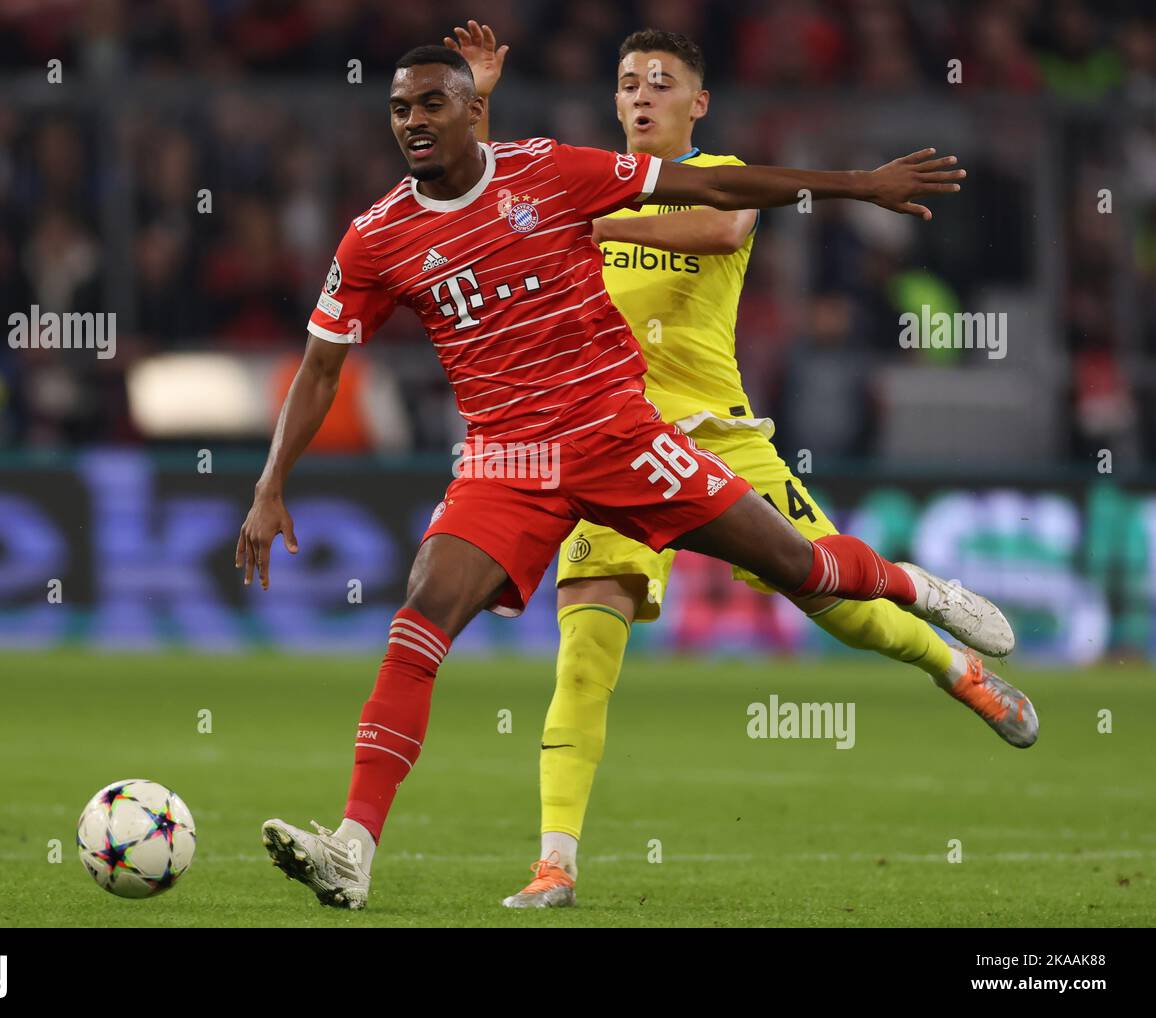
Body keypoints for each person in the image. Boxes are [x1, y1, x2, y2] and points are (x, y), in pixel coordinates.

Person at [235, 44, 1010, 911]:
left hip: (624, 436)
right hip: (508, 461)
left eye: (430, 105)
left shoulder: (562, 173)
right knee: (425, 612)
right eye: (398, 109)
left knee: (805, 569)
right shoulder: (376, 236)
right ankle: (360, 848)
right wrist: (270, 487)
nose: (411, 122)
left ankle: (917, 590)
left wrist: (857, 185)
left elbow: (719, 201)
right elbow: (320, 367)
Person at [440, 22, 1039, 912]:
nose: (640, 94)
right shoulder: (584, 183)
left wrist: (582, 227)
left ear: (698, 102)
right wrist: (479, 103)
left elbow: (722, 231)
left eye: (660, 81)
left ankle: (957, 670)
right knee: (583, 653)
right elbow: (481, 198)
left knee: (838, 601)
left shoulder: (718, 175)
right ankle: (554, 866)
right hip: (607, 445)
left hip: (718, 436)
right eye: (628, 82)